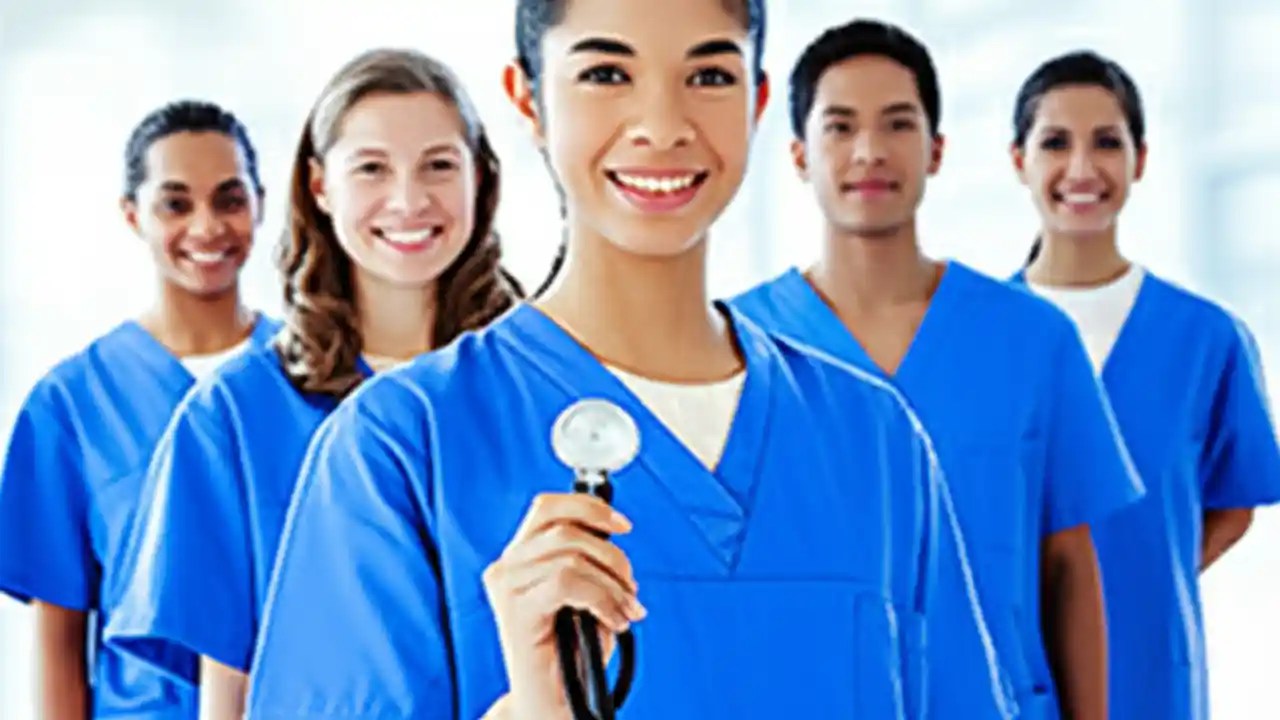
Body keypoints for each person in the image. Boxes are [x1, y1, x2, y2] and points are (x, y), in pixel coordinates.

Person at [244, 2, 981, 718]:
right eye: (605, 73)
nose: (662, 126)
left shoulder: (875, 440)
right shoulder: (401, 445)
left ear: (757, 100)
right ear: (528, 98)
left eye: (710, 76)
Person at [730, 20, 1144, 720]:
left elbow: (1068, 564)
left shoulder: (1031, 339)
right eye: (840, 127)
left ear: (936, 150)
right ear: (799, 154)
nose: (869, 151)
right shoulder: (740, 347)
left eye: (897, 124)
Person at [103, 48, 524, 720]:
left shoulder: (537, 394)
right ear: (320, 186)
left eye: (439, 165)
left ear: (481, 179)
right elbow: (228, 689)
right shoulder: (236, 416)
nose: (410, 200)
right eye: (372, 169)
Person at [1008, 49, 1280, 720]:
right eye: (1055, 143)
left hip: (1151, 671)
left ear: (1141, 158)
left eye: (1107, 141)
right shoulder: (979, 338)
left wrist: (1145, 581)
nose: (1081, 168)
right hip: (1009, 669)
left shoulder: (1206, 339)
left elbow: (1232, 504)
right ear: (1019, 161)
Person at [0, 100, 275, 720]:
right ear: (133, 215)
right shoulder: (70, 405)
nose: (207, 228)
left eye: (229, 199)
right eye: (176, 204)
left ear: (260, 203)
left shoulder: (313, 378)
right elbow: (59, 644)